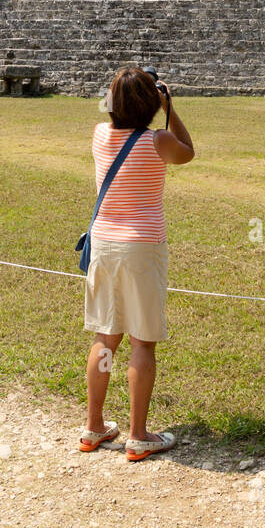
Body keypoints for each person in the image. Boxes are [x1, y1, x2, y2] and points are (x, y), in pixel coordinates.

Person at [80, 66, 195, 460]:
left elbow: (118, 119)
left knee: (106, 336)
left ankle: (94, 426)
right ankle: (139, 434)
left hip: (104, 244)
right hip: (142, 247)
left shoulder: (99, 135)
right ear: (149, 102)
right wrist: (169, 107)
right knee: (142, 341)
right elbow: (188, 151)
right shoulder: (158, 141)